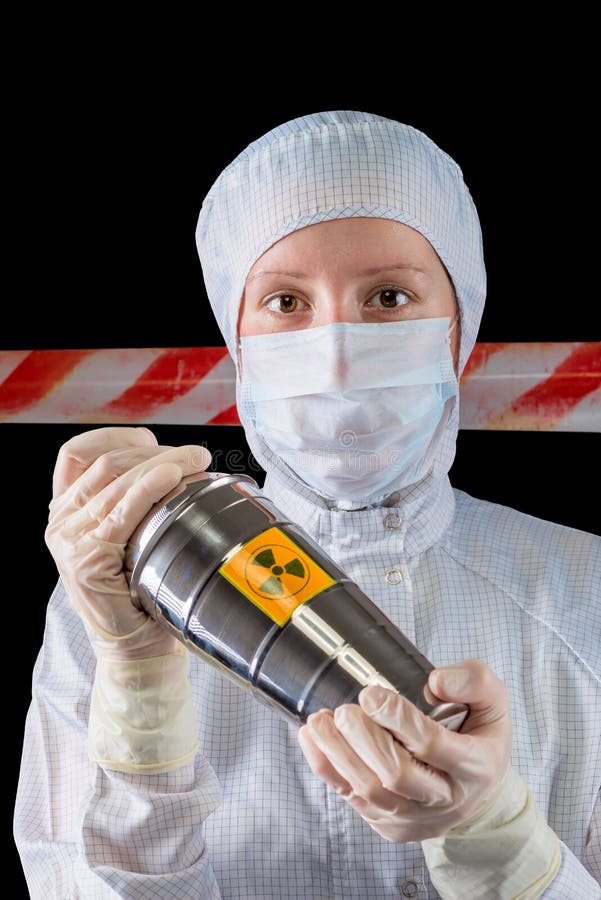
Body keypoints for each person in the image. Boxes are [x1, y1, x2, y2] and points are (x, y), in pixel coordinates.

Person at [14, 110, 600, 898]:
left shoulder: (582, 589)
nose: (333, 353)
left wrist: (497, 839)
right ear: (237, 338)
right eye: (286, 303)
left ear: (460, 323)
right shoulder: (114, 605)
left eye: (388, 297)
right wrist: (138, 683)